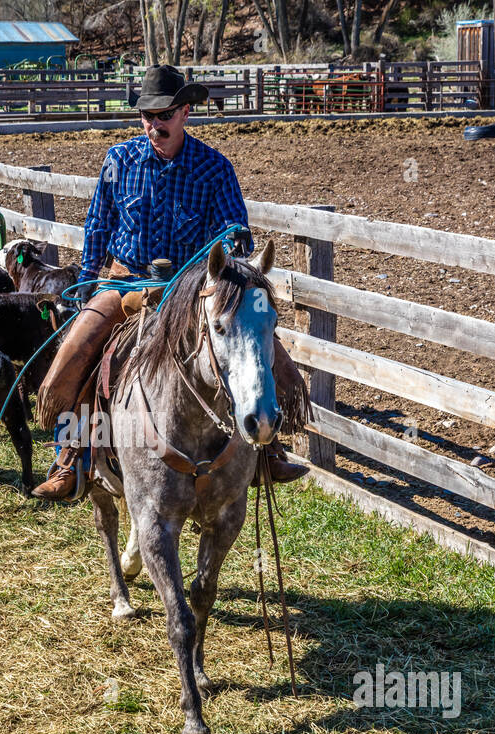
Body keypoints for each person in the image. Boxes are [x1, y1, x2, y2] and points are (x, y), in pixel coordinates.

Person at [30, 65, 309, 501]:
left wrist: (232, 238)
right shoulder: (118, 161)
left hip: (191, 288)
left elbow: (237, 230)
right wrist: (87, 285)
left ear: (184, 112)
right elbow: (98, 227)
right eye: (147, 116)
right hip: (125, 284)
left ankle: (266, 445)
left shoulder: (214, 168)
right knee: (76, 354)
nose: (154, 125)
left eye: (164, 115)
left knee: (256, 338)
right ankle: (71, 455)